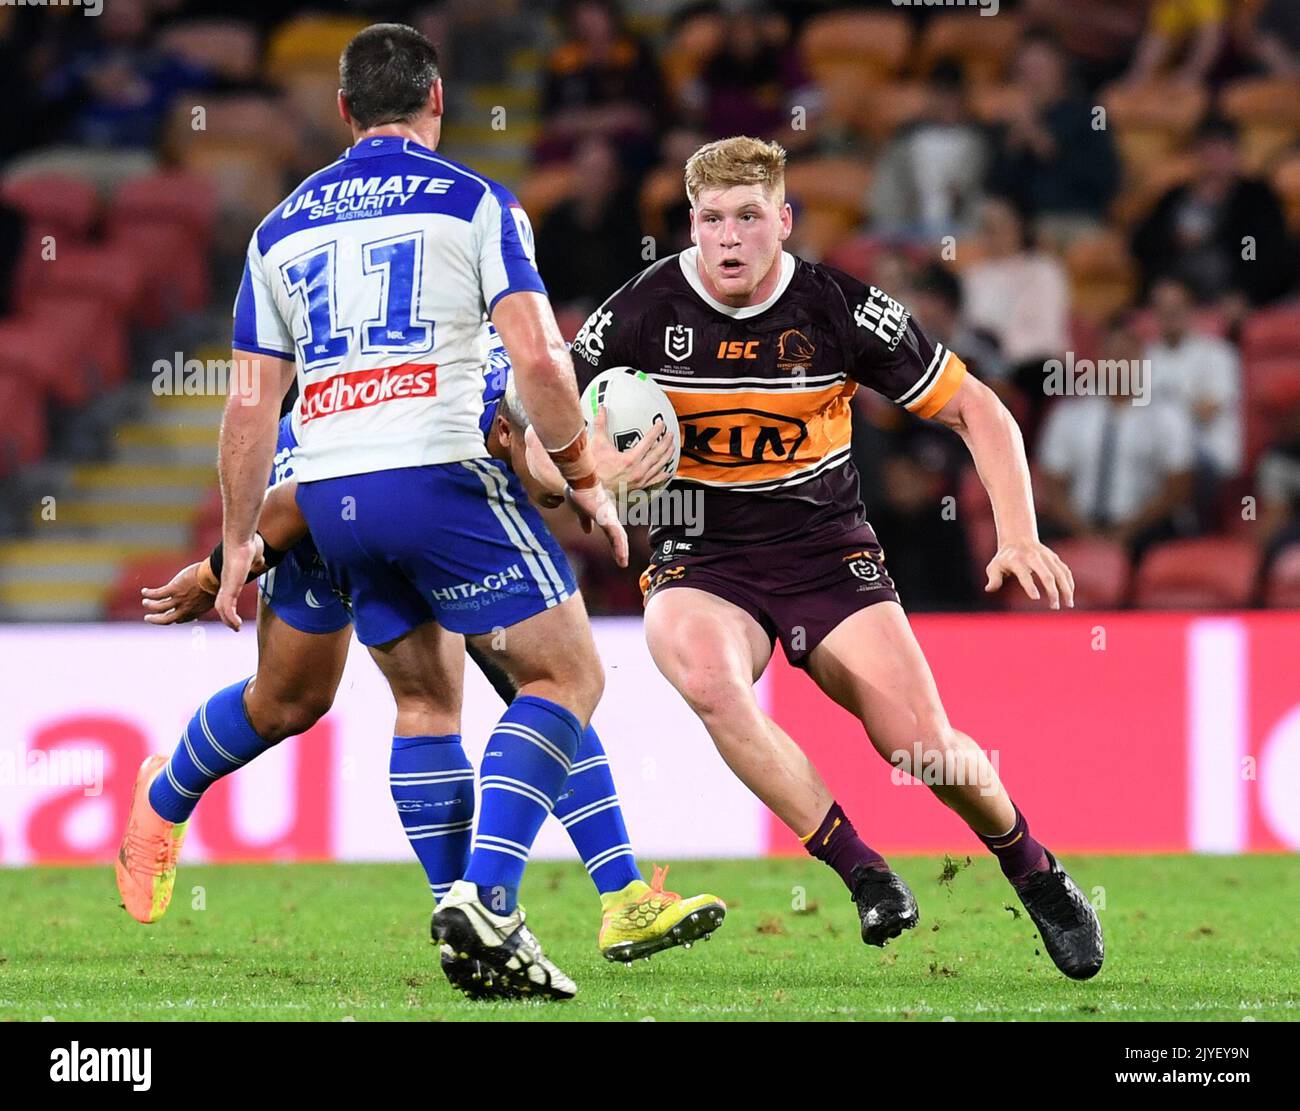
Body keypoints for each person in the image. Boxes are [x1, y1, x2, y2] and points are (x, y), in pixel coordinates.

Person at [117, 23, 627, 1002]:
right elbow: (536, 364)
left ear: (343, 112)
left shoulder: (279, 227)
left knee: (389, 696)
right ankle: (170, 796)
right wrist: (581, 472)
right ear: (438, 102)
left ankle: (475, 920)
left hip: (321, 486)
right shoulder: (479, 207)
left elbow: (248, 402)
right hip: (398, 484)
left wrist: (235, 543)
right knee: (307, 697)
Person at [571, 135, 1104, 980]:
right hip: (699, 557)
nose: (730, 238)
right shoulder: (640, 310)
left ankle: (1034, 869)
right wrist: (580, 470)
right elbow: (540, 433)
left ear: (783, 221)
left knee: (920, 746)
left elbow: (980, 411)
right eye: (711, 220)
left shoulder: (838, 309)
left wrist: (1018, 533)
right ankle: (864, 870)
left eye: (749, 217)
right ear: (693, 225)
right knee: (708, 679)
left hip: (827, 554)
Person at [126, 328, 725, 993]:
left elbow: (550, 467)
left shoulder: (533, 401)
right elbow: (293, 505)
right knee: (288, 701)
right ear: (503, 434)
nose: (565, 497)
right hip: (316, 484)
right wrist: (221, 566)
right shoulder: (461, 425)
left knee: (537, 681)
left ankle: (568, 904)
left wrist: (583, 478)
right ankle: (165, 795)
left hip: (398, 489)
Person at [1037, 314, 1198, 560]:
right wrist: (1086, 534)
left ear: (1142, 360)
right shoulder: (1070, 412)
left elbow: (1178, 489)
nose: (1118, 365)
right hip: (1080, 522)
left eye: (1126, 357)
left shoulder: (1167, 414)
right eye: (1111, 357)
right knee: (1026, 537)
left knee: (1169, 538)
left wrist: (1126, 532)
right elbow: (1053, 487)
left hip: (1143, 525)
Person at [1145, 275, 1242, 509]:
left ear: (1191, 310)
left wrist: (1164, 407)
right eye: (1163, 309)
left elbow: (1207, 412)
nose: (1170, 315)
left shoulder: (1218, 353)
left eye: (1176, 308)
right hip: (1157, 455)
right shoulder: (1145, 357)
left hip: (1207, 454)